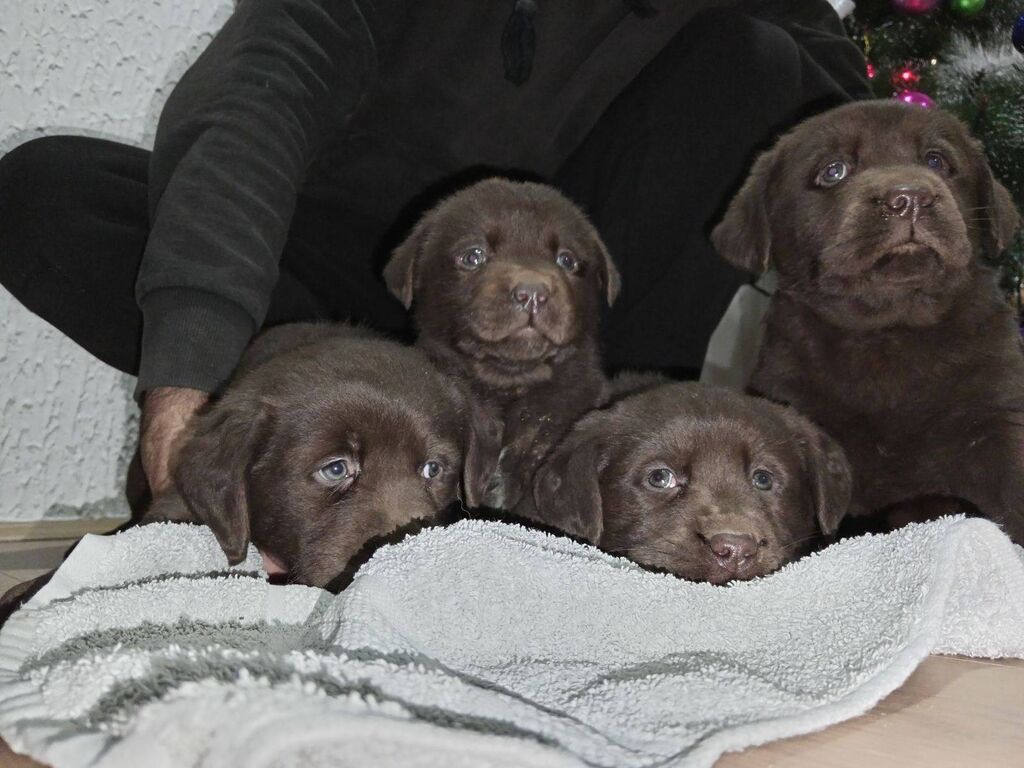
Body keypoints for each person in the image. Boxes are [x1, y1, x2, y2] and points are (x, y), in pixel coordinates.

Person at [0, 0, 870, 506]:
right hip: (339, 300)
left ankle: (593, 462)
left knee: (753, 61)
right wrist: (187, 391)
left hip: (562, 327)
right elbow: (251, 107)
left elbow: (853, 130)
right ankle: (322, 431)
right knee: (43, 187)